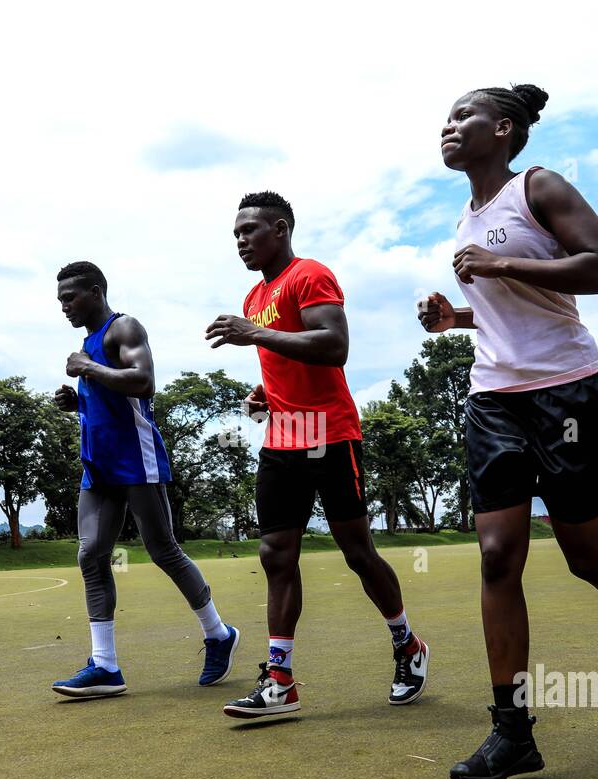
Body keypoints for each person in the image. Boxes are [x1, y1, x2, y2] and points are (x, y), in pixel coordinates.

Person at [419, 85, 598, 779]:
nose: (448, 127)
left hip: (567, 391)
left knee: (583, 553)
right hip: (493, 398)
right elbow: (508, 317)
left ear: (503, 128)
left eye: (463, 117)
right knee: (497, 555)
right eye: (445, 119)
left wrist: (500, 263)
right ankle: (513, 732)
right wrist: (455, 318)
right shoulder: (464, 219)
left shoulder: (537, 188)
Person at [206, 192, 429, 719]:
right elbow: (284, 359)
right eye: (235, 234)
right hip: (283, 436)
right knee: (275, 554)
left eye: (250, 231)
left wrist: (256, 333)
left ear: (280, 229)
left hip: (330, 434)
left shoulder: (310, 275)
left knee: (357, 552)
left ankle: (407, 644)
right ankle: (279, 680)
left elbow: (333, 345)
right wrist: (265, 394)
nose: (240, 241)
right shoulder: (253, 297)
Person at [50, 260, 239, 697]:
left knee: (163, 550)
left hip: (137, 460)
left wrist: (87, 369)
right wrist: (76, 403)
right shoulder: (89, 342)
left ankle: (218, 634)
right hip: (98, 467)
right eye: (59, 300)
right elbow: (107, 404)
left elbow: (144, 382)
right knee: (91, 556)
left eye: (69, 297)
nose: (63, 307)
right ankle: (105, 666)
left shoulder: (124, 328)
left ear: (95, 292)